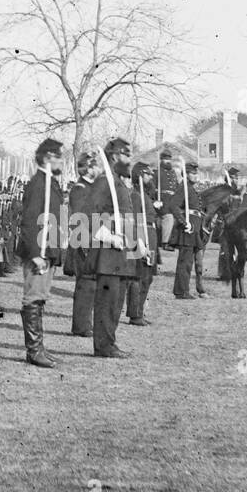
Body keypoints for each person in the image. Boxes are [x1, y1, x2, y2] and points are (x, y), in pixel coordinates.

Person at [87, 138, 144, 359]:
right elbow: (88, 217)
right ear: (114, 157)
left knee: (116, 303)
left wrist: (136, 242)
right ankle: (103, 346)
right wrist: (110, 238)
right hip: (108, 254)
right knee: (107, 303)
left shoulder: (118, 183)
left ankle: (109, 342)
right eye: (126, 155)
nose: (129, 160)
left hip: (122, 253)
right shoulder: (104, 182)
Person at [15, 137, 65, 368]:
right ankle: (34, 351)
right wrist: (35, 253)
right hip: (39, 250)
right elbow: (29, 221)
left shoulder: (50, 183)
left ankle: (39, 348)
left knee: (40, 298)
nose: (61, 161)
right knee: (33, 298)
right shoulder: (39, 184)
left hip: (48, 247)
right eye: (58, 157)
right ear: (48, 158)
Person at [67, 151, 97, 337]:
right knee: (85, 284)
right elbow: (78, 217)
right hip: (83, 242)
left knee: (90, 285)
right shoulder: (80, 189)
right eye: (94, 166)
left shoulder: (90, 188)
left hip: (92, 240)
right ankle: (81, 326)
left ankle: (85, 323)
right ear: (87, 168)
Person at [167, 160, 207, 299]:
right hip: (187, 230)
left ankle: (183, 290)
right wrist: (184, 222)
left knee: (188, 261)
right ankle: (181, 291)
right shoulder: (183, 187)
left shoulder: (190, 188)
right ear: (186, 174)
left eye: (196, 173)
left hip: (193, 228)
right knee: (185, 262)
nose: (196, 176)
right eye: (192, 173)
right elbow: (173, 205)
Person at [125, 162, 158, 326]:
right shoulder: (136, 196)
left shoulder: (144, 195)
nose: (150, 177)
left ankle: (139, 311)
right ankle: (135, 314)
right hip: (141, 235)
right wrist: (140, 242)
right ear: (139, 176)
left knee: (147, 276)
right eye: (147, 174)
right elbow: (134, 220)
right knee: (139, 276)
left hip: (149, 234)